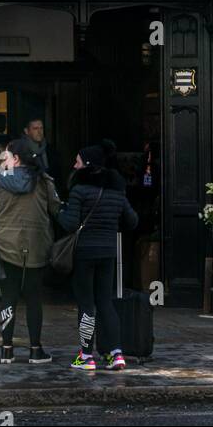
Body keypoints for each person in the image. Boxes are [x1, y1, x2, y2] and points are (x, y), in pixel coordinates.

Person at [57, 141, 138, 372]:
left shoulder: (79, 191)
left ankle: (85, 355)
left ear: (88, 165)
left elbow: (71, 223)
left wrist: (58, 212)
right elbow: (132, 221)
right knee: (105, 302)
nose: (74, 165)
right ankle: (116, 353)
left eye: (78, 161)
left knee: (86, 304)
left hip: (85, 253)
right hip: (108, 252)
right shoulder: (116, 191)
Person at [0, 136, 61, 364]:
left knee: (9, 296)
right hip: (36, 246)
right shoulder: (44, 181)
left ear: (15, 158)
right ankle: (36, 349)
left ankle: (7, 349)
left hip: (5, 246)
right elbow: (56, 209)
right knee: (34, 299)